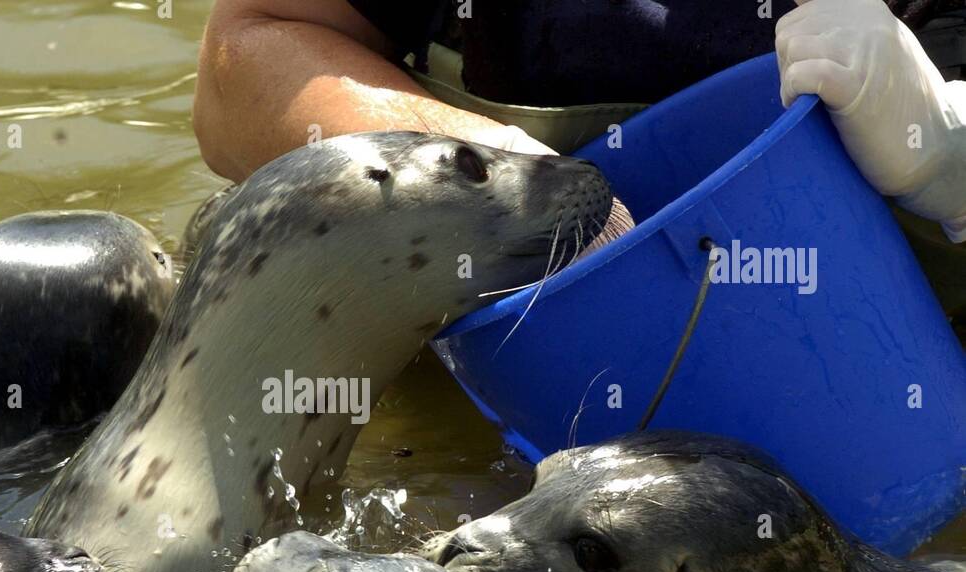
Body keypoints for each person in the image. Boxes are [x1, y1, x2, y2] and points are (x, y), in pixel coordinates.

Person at [193, 0, 965, 317]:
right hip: (520, 402)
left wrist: (946, 158)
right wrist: (491, 169)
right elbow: (241, 67)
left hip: (888, 381)